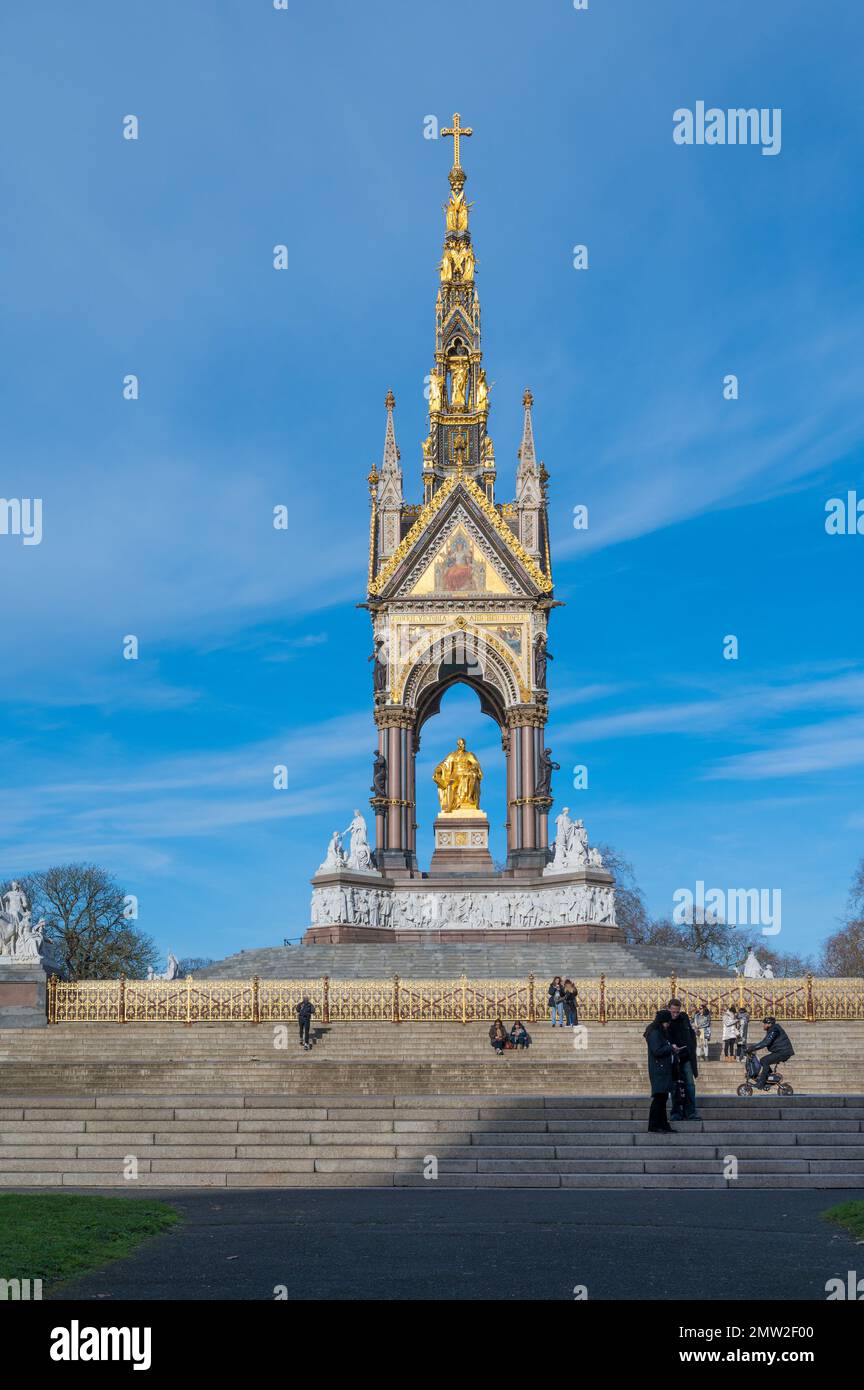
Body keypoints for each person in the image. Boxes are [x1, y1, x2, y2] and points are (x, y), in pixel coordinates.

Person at [644, 1009, 678, 1133]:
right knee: (658, 1099)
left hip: (663, 1070)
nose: (668, 1025)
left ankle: (663, 1124)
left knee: (662, 1099)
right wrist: (670, 1048)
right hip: (659, 1070)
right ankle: (654, 1125)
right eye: (666, 1022)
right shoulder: (654, 1033)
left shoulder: (660, 1032)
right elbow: (657, 1050)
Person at [667, 998, 700, 1121]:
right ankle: (676, 1112)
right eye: (673, 1011)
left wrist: (691, 1046)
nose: (675, 1014)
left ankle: (690, 1111)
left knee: (690, 1085)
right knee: (675, 1085)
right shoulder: (665, 1020)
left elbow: (691, 1035)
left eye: (677, 1012)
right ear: (668, 1008)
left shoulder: (684, 1018)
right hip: (673, 1058)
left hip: (686, 1056)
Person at [746, 1016, 795, 1088]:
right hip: (780, 1051)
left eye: (765, 1023)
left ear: (769, 1024)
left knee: (765, 1061)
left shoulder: (774, 1030)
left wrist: (752, 1048)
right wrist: (752, 1048)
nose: (764, 1025)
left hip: (783, 1052)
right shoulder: (772, 1029)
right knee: (763, 1060)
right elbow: (764, 1041)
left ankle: (761, 1083)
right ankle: (769, 1077)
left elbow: (766, 1042)